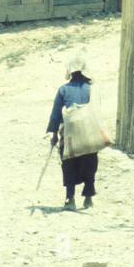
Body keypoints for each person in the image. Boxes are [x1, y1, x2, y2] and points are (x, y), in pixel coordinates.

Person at [45, 58, 97, 210]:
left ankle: (70, 198)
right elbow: (97, 110)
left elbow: (56, 114)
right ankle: (88, 197)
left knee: (68, 162)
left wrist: (53, 133)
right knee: (90, 161)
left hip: (70, 133)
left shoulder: (63, 90)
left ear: (70, 72)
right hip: (89, 132)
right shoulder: (91, 89)